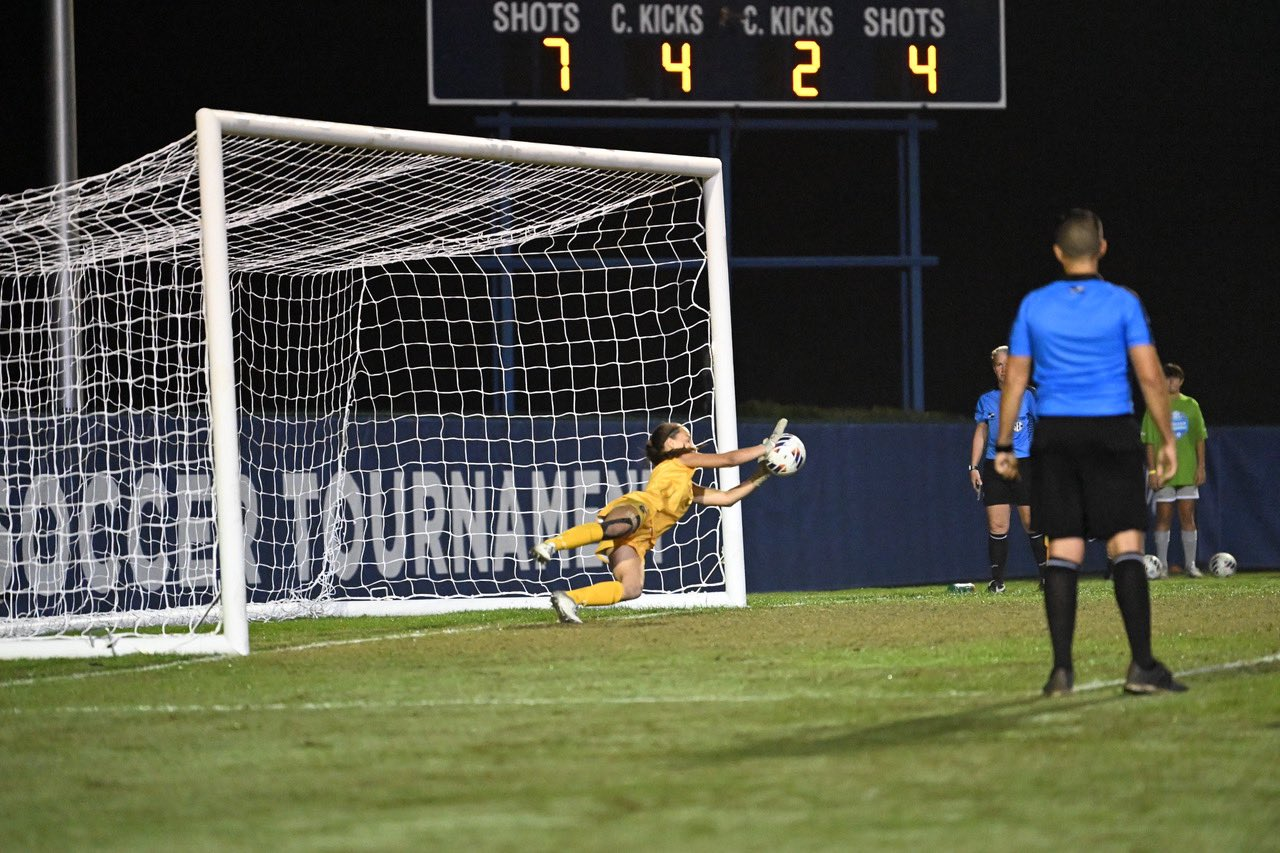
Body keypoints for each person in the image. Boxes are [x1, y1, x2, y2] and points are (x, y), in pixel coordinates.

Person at [994, 208, 1187, 696]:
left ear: (1058, 253)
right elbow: (1149, 375)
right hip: (1111, 430)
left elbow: (1015, 379)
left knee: (1063, 547)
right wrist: (1166, 439)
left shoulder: (1035, 304)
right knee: (1125, 544)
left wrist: (1003, 443)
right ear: (1102, 249)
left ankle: (1061, 672)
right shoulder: (1123, 302)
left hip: (1056, 434)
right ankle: (1141, 666)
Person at [531, 419, 786, 623]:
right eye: (687, 437)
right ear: (671, 443)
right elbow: (728, 460)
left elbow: (727, 498)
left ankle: (569, 599)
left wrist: (760, 474)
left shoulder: (687, 488)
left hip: (641, 541)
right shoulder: (679, 459)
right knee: (619, 526)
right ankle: (552, 545)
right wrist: (765, 448)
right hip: (641, 507)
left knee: (632, 589)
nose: (692, 443)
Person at [970, 345, 1048, 592]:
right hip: (995, 465)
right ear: (994, 369)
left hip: (1023, 465)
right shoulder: (987, 400)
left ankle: (1047, 578)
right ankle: (998, 582)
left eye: (1008, 364)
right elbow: (981, 432)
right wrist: (974, 466)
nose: (1004, 370)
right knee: (997, 526)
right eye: (999, 365)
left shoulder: (1028, 396)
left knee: (1032, 523)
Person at [1141, 363, 1208, 577]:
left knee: (1188, 516)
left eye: (1175, 378)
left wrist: (1201, 467)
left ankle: (1191, 565)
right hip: (1164, 473)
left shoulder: (1191, 405)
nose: (1171, 382)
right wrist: (1152, 471)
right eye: (1167, 378)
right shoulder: (1155, 405)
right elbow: (1150, 442)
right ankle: (1162, 566)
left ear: (1181, 381)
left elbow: (1199, 438)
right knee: (1163, 517)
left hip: (1187, 470)